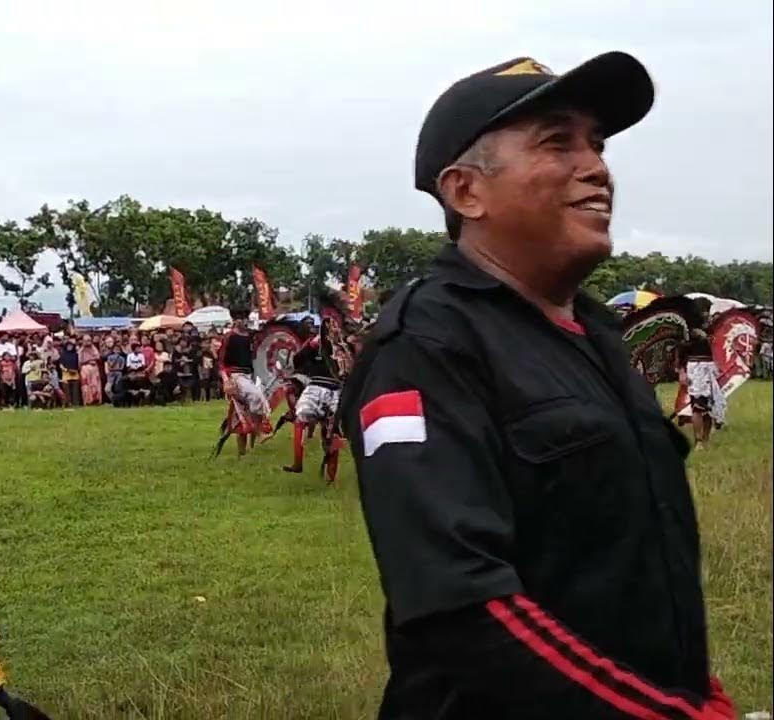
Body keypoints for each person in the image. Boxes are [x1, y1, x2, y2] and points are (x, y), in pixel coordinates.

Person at [339, 53, 730, 718]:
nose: (597, 167)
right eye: (557, 142)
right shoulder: (426, 344)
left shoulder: (599, 331)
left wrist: (691, 684)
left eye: (597, 145)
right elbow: (458, 606)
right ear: (466, 192)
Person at [283, 319, 342, 481]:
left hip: (335, 389)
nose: (333, 327)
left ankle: (331, 477)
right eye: (330, 325)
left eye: (335, 324)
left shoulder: (345, 344)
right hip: (317, 385)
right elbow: (298, 360)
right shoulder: (316, 343)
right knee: (301, 416)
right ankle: (298, 462)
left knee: (331, 431)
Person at [219, 312, 271, 454]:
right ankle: (258, 432)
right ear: (234, 320)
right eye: (239, 318)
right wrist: (226, 380)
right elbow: (221, 361)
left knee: (250, 411)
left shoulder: (251, 336)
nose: (242, 321)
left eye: (244, 318)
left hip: (252, 375)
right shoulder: (229, 337)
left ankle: (251, 448)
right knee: (256, 397)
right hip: (236, 376)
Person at [678, 328, 725, 447]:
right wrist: (682, 373)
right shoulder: (687, 331)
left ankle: (705, 439)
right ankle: (698, 440)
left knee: (710, 408)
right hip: (695, 370)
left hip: (710, 369)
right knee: (697, 407)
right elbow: (681, 356)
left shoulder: (711, 328)